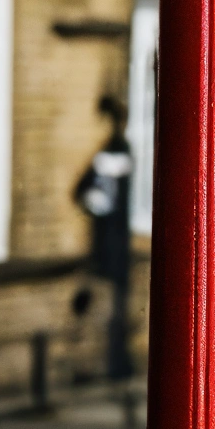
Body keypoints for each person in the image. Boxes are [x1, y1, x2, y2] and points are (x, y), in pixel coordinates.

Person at [74, 95, 135, 385]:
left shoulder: (121, 152)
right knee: (107, 305)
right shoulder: (107, 156)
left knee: (117, 306)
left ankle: (115, 361)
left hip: (119, 242)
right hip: (107, 242)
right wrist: (99, 203)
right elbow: (81, 190)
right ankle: (105, 362)